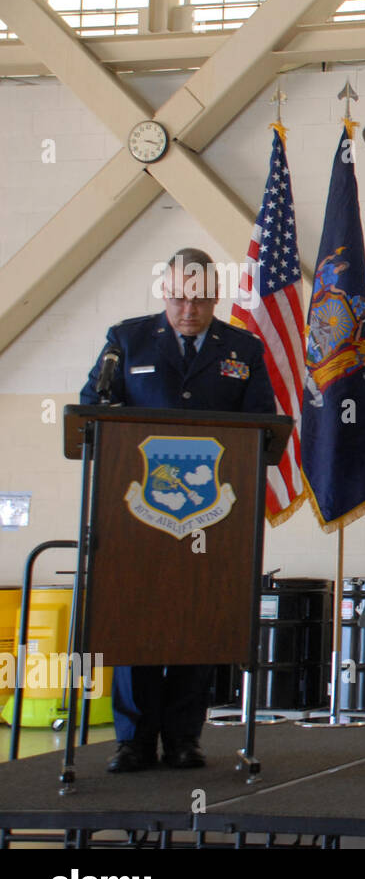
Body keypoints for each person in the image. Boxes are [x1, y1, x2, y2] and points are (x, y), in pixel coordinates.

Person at [80, 247, 275, 773]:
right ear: (164, 291)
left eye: (201, 297)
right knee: (137, 624)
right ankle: (134, 740)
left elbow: (264, 425)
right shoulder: (127, 340)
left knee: (200, 622)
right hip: (137, 517)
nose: (189, 307)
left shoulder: (243, 348)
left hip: (212, 521)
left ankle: (185, 737)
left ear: (216, 295)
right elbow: (91, 411)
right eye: (179, 296)